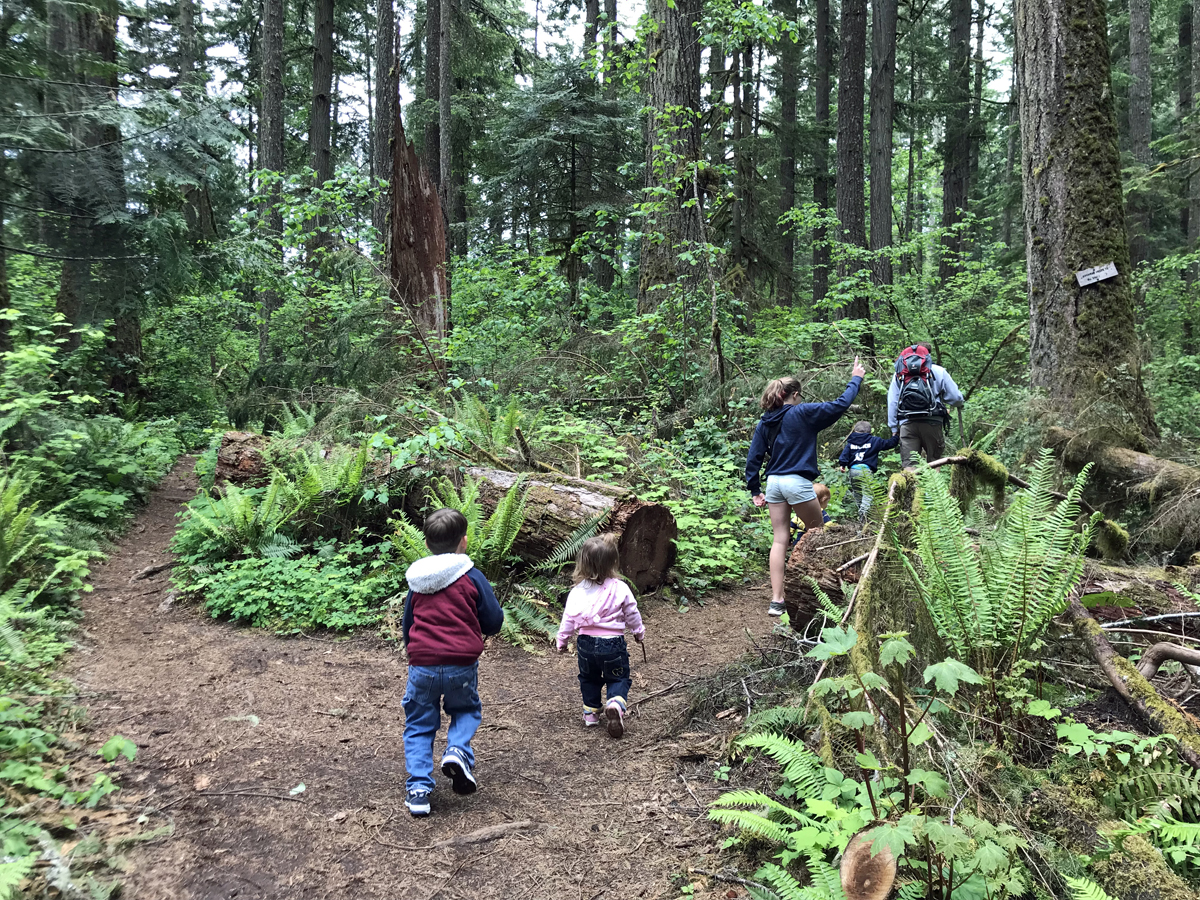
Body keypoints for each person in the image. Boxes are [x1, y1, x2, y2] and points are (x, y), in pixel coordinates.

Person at [400, 508, 504, 818]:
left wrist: (416, 652)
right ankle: (457, 750)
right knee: (466, 709)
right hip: (461, 664)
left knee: (419, 724)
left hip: (422, 666)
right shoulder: (471, 576)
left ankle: (419, 790)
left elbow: (408, 624)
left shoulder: (417, 580)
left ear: (427, 543)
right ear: (464, 541)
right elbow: (494, 621)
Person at [746, 358, 866, 617]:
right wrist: (855, 378)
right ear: (795, 395)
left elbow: (754, 457)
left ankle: (777, 600)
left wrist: (755, 490)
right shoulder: (802, 412)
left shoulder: (765, 422)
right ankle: (817, 594)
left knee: (780, 540)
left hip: (774, 482)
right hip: (797, 482)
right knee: (818, 536)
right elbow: (840, 405)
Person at [556, 533, 645, 739]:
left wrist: (562, 640)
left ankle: (591, 714)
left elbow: (568, 618)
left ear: (582, 563)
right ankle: (615, 703)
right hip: (613, 644)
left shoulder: (577, 591)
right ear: (613, 562)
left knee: (589, 678)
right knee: (618, 676)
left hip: (585, 644)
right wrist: (638, 632)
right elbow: (632, 612)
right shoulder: (620, 588)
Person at [886, 342, 964, 468]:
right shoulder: (939, 371)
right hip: (932, 422)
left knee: (910, 467)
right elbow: (955, 397)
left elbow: (892, 401)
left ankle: (911, 488)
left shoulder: (900, 374)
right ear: (928, 356)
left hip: (907, 423)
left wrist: (894, 428)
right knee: (934, 464)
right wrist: (959, 402)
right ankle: (932, 488)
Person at [838, 421, 900, 518]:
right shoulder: (874, 441)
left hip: (853, 471)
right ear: (870, 432)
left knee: (858, 494)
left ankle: (861, 514)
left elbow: (844, 455)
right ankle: (864, 512)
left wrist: (843, 465)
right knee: (868, 493)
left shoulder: (850, 442)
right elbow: (889, 444)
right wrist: (896, 436)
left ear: (855, 431)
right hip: (865, 470)